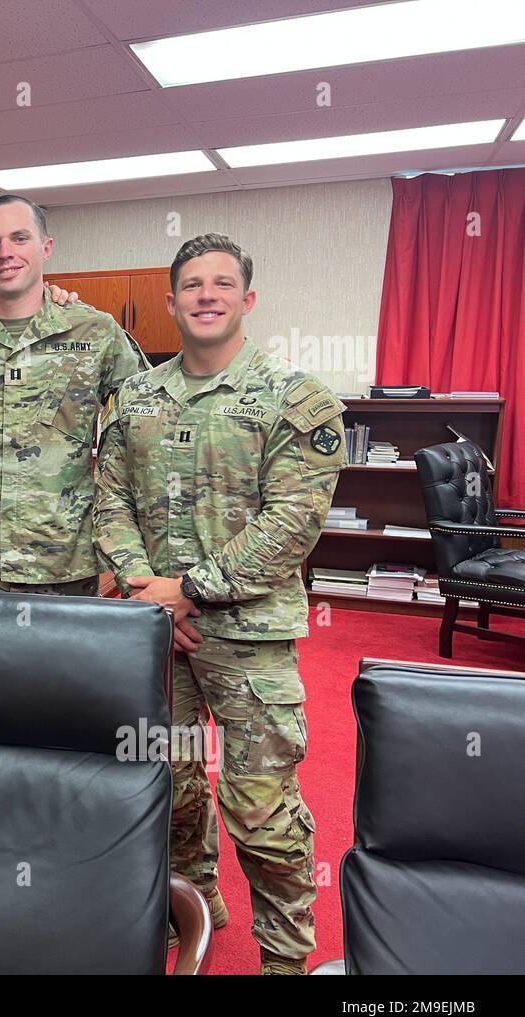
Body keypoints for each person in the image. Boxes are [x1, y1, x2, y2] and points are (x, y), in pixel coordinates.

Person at [93, 233, 347, 975]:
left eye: (223, 283)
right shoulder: (136, 395)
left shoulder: (294, 398)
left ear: (247, 298)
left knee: (263, 812)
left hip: (249, 638)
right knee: (166, 791)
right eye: (193, 284)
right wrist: (149, 593)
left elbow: (290, 525)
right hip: (154, 635)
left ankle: (283, 958)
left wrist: (188, 588)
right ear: (171, 302)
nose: (207, 294)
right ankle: (191, 907)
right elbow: (110, 502)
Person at [0, 194, 148, 594]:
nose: (5, 253)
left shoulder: (95, 333)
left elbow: (147, 425)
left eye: (20, 238)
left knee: (60, 660)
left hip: (61, 561)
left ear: (45, 248)